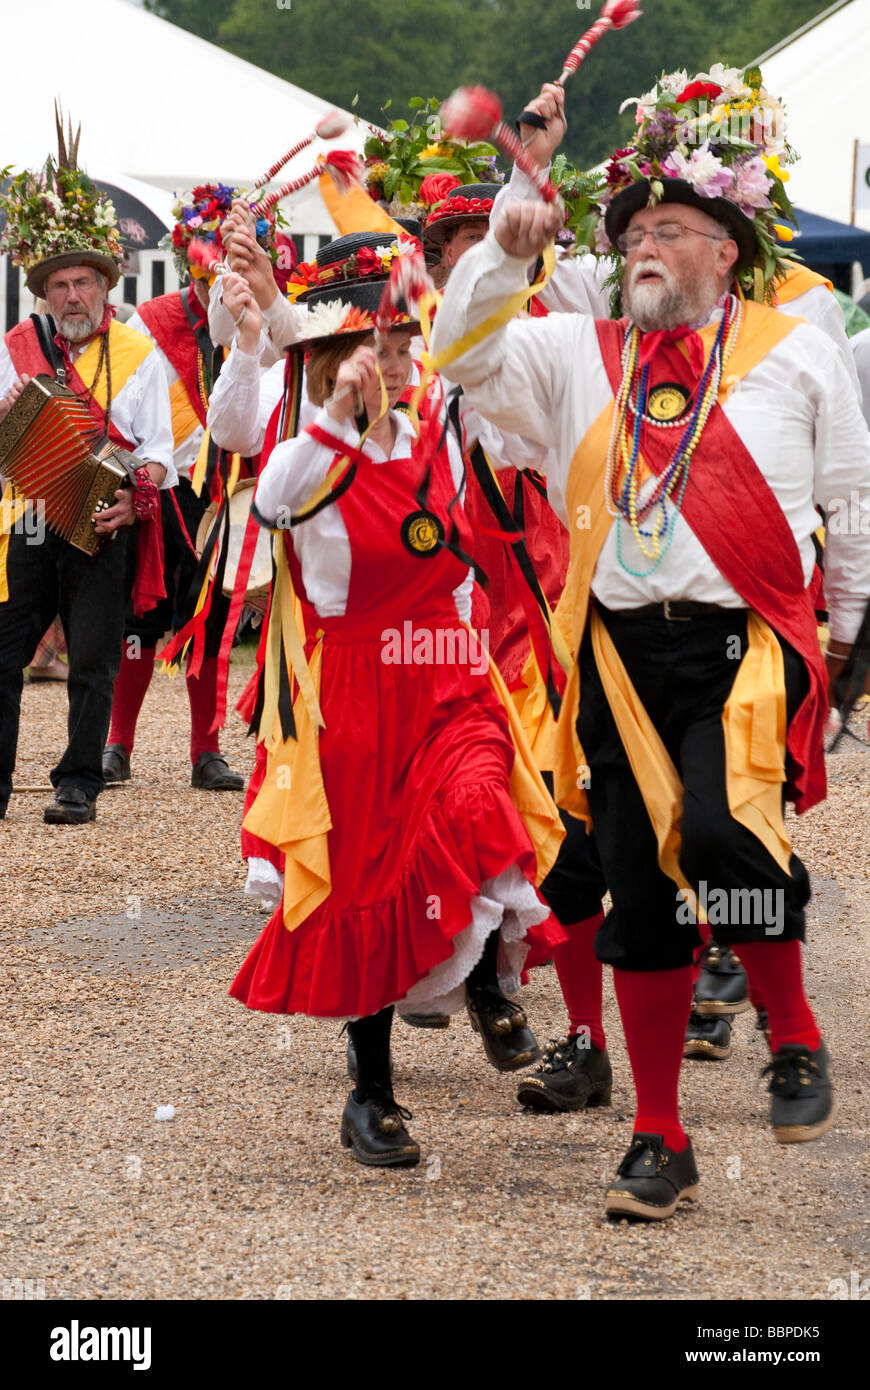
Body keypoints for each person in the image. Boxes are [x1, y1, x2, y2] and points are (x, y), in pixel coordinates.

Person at [432, 67, 870, 1219]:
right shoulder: (576, 350)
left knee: (730, 835)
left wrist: (854, 636)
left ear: (727, 250)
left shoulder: (797, 347)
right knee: (638, 897)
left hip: (747, 651)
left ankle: (796, 1026)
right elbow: (461, 356)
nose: (644, 245)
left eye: (670, 229)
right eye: (632, 231)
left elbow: (853, 498)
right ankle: (659, 1139)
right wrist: (505, 256)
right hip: (617, 659)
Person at [225, 232, 565, 1167]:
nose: (399, 363)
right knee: (372, 883)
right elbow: (272, 507)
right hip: (359, 694)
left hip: (452, 675)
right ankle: (371, 1091)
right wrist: (336, 415)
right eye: (380, 348)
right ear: (337, 361)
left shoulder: (448, 431)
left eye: (405, 346)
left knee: (482, 807)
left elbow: (530, 423)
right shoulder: (309, 453)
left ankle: (495, 988)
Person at [425, 170, 612, 1109]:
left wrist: (531, 187)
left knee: (637, 833)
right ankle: (509, 998)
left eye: (483, 252)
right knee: (524, 831)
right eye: (451, 256)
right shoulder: (425, 376)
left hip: (569, 616)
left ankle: (730, 991)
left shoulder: (565, 336)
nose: (468, 269)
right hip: (468, 630)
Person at [0, 138, 173, 824]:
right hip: (26, 521)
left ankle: (78, 782)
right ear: (43, 292)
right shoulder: (14, 349)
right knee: (2, 653)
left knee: (94, 662)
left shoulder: (140, 355)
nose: (73, 295)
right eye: (60, 285)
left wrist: (138, 497)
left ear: (107, 287)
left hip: (103, 522)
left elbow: (161, 453)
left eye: (85, 283)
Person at [101, 184, 279, 792]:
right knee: (139, 616)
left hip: (228, 491)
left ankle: (206, 751)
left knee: (215, 617)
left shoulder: (260, 317)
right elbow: (127, 411)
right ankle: (116, 744)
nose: (217, 285)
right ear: (188, 263)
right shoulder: (151, 323)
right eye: (207, 272)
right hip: (163, 490)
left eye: (227, 270)